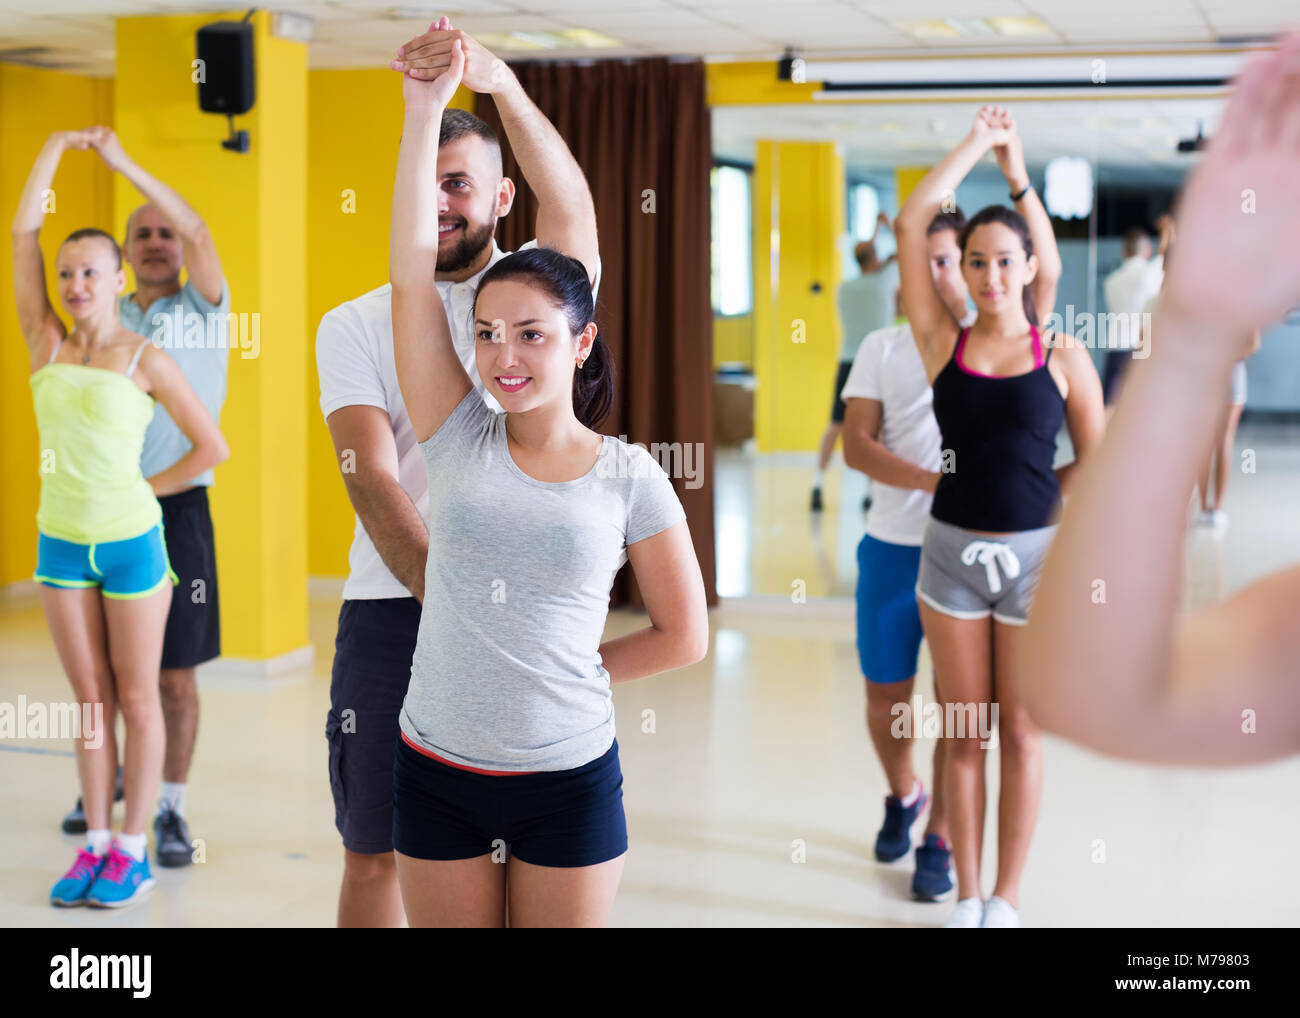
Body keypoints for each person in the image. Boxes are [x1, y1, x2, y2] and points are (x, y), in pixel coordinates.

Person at [386, 38, 709, 928]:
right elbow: (411, 279)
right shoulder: (457, 436)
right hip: (437, 768)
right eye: (489, 334)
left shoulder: (630, 476)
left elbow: (684, 635)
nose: (504, 355)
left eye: (530, 334)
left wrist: (575, 675)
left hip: (568, 779)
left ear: (581, 341)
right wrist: (423, 111)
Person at [316, 18, 603, 927]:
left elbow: (577, 216)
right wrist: (450, 594)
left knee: (513, 858)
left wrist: (504, 85)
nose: (441, 202)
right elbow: (371, 476)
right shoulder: (362, 323)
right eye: (425, 184)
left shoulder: (529, 299)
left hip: (530, 609)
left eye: (460, 184)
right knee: (375, 857)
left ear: (501, 196)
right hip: (398, 609)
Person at [1016, 33, 1300, 768]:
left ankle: (1210, 500)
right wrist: (1191, 334)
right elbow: (1087, 697)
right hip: (1157, 357)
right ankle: (1211, 501)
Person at [895, 105, 1104, 928]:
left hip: (1035, 564)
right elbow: (917, 218)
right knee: (964, 730)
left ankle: (1009, 900)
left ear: (1027, 267)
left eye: (1003, 261)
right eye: (975, 262)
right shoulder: (939, 341)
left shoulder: (1062, 355)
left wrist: (1019, 172)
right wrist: (979, 143)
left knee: (1020, 732)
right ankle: (970, 894)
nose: (987, 276)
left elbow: (1101, 461)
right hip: (948, 559)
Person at [12, 128, 228, 908]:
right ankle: (96, 843)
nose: (73, 283)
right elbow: (22, 234)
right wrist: (56, 150)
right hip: (64, 540)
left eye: (86, 272)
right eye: (67, 273)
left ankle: (143, 835)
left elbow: (213, 444)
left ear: (114, 276)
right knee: (92, 697)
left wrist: (144, 489)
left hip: (149, 529)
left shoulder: (167, 337)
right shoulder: (50, 340)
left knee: (154, 690)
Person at [842, 170, 1061, 905]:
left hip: (995, 552)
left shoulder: (1020, 337)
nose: (961, 274)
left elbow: (1041, 262)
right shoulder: (899, 345)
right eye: (958, 260)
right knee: (889, 700)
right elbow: (855, 444)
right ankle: (904, 797)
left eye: (971, 261)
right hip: (907, 546)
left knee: (973, 719)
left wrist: (1015, 166)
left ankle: (945, 845)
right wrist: (944, 484)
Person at [812, 213, 899, 513]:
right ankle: (871, 492)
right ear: (876, 259)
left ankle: (817, 484)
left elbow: (870, 256)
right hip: (878, 362)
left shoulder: (844, 288)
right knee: (877, 428)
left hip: (848, 361)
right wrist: (883, 226)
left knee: (836, 425)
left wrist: (873, 234)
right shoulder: (883, 284)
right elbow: (902, 251)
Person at [1100, 217, 1171, 405]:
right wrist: (1167, 231)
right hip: (1141, 347)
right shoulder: (1150, 273)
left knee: (1110, 405)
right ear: (1147, 251)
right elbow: (1165, 255)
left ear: (1124, 252)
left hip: (1115, 346)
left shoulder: (1111, 282)